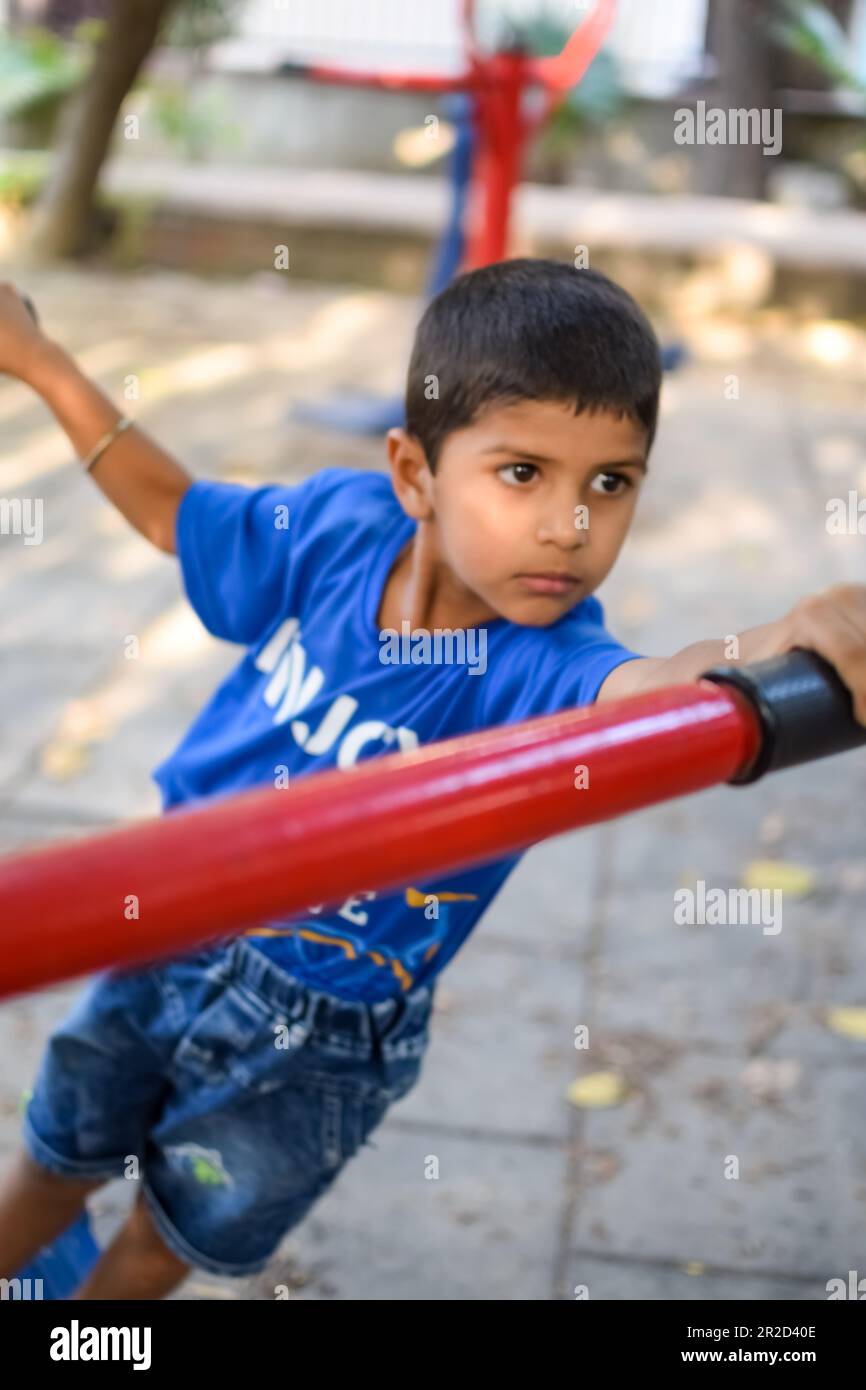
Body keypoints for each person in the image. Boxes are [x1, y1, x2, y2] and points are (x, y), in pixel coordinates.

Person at [0, 259, 864, 1299]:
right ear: (414, 475)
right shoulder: (337, 532)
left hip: (320, 1036)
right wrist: (41, 361)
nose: (568, 526)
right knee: (55, 1158)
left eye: (610, 482)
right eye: (522, 472)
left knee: (161, 1238)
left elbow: (654, 689)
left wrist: (772, 645)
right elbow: (175, 510)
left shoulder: (545, 665)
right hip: (169, 923)